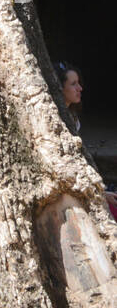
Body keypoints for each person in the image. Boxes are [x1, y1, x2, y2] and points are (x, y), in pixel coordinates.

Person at [53, 59, 117, 221]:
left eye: (79, 83)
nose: (80, 88)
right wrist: (100, 194)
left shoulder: (73, 118)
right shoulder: (55, 121)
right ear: (60, 88)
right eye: (73, 84)